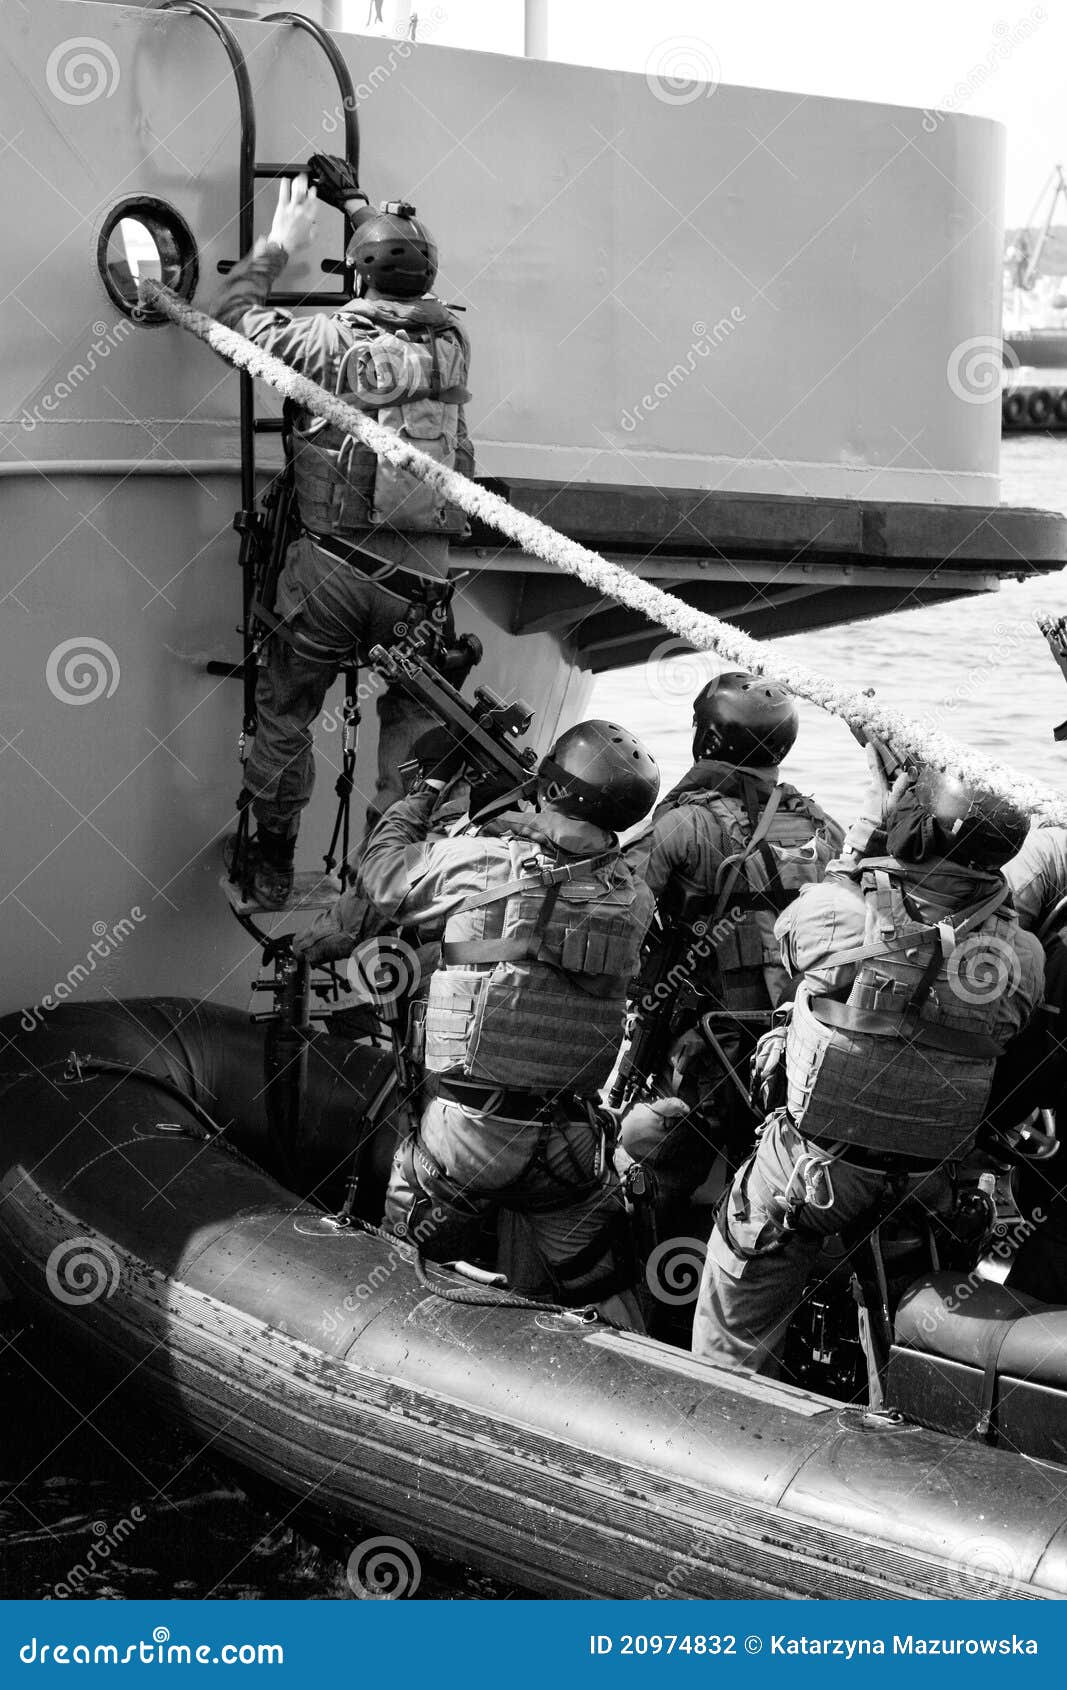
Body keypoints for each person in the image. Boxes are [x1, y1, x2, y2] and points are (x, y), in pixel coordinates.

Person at [692, 750, 1043, 1374]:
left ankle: (720, 1405)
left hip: (814, 1172)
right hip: (925, 1188)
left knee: (735, 1304)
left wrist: (863, 842)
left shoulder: (843, 912)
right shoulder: (1025, 956)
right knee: (902, 1344)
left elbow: (796, 942)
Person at [212, 173, 474, 907]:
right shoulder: (452, 344)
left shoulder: (322, 341)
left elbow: (228, 319)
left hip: (328, 571)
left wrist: (278, 245)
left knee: (288, 708)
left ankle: (270, 862)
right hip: (421, 581)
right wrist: (359, 209)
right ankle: (380, 881)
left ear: (356, 271)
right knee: (417, 724)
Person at [352, 719, 660, 1324]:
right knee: (603, 1285)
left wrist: (431, 788)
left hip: (467, 1138)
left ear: (550, 788)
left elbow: (382, 876)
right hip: (569, 1146)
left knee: (398, 1271)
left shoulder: (486, 864)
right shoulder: (634, 895)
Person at [619, 672, 842, 1229]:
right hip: (793, 1039)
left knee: (656, 1159)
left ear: (711, 740)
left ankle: (656, 1270)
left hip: (702, 1034)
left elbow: (616, 904)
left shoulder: (687, 822)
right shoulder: (820, 826)